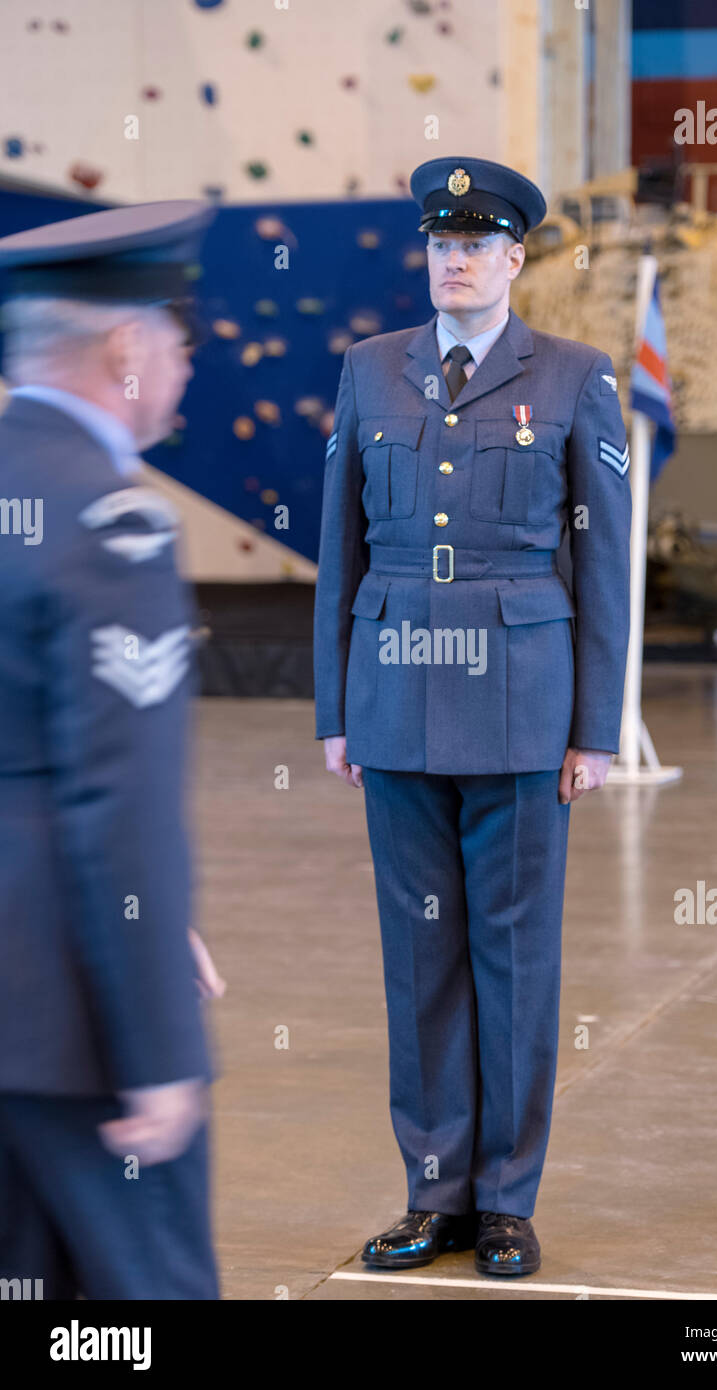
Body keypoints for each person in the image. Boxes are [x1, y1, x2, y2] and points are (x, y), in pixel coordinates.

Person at [314, 156, 632, 1276]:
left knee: (511, 957)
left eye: (473, 245)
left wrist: (596, 727)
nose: (452, 260)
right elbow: (337, 549)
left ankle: (504, 1199)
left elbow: (601, 568)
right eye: (438, 244)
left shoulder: (580, 376)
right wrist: (332, 707)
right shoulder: (368, 371)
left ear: (513, 258)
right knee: (418, 960)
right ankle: (431, 1193)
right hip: (394, 698)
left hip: (519, 710)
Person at [0, 200, 225, 1299]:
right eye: (177, 341)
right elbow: (113, 803)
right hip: (65, 1018)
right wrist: (158, 1046)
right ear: (127, 349)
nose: (182, 366)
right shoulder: (112, 523)